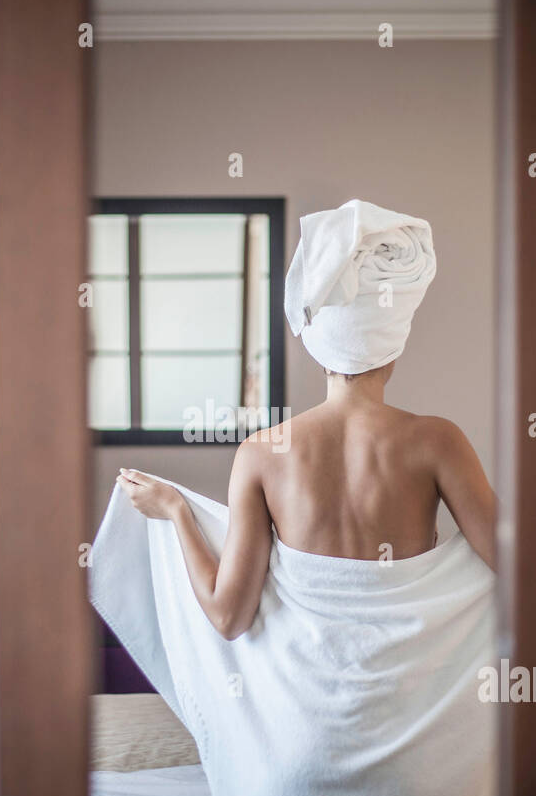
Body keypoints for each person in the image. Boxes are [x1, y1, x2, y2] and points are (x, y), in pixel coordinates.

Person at [115, 198, 496, 640]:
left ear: (318, 350)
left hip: (304, 705)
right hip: (410, 702)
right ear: (395, 349)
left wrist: (175, 510)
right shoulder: (438, 441)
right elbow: (518, 568)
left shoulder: (261, 453)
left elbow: (228, 618)